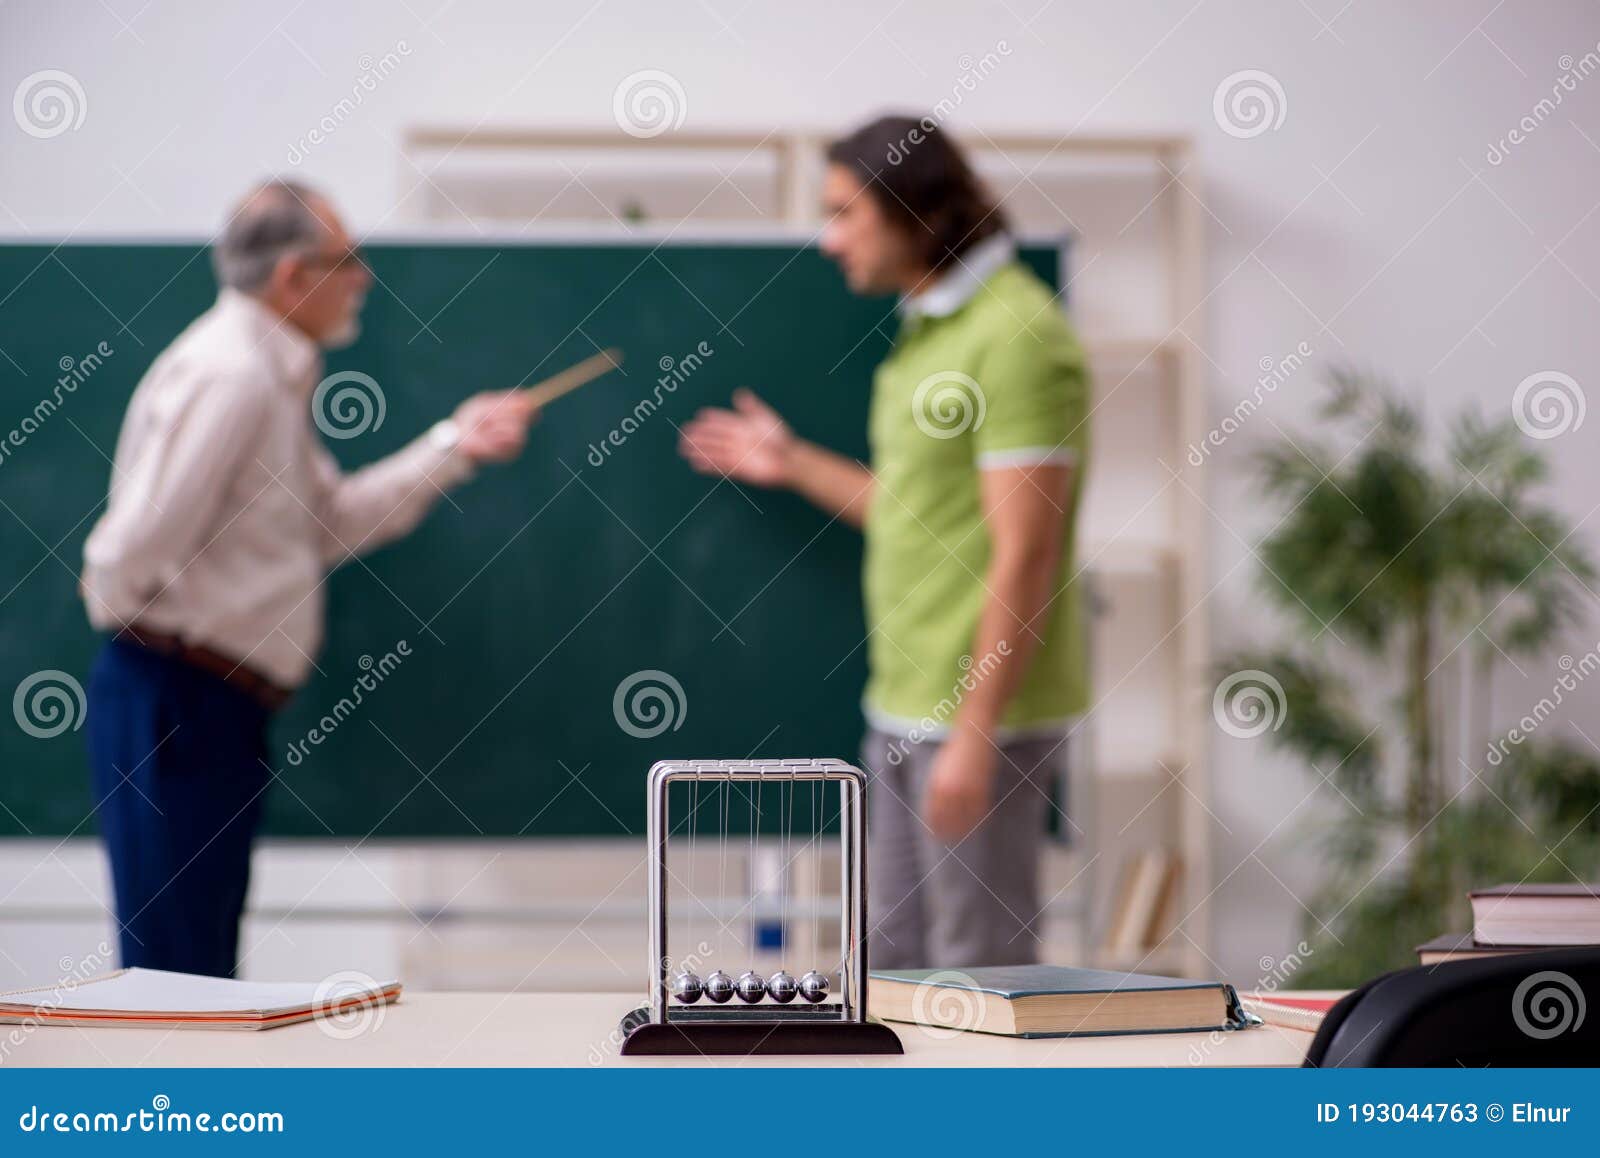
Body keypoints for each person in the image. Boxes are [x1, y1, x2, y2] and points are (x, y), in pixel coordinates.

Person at [79, 179, 538, 977]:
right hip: (175, 699)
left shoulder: (271, 374)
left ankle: (194, 1105)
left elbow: (322, 526)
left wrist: (454, 444)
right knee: (178, 982)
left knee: (200, 969)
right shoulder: (236, 378)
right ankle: (165, 1109)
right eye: (347, 261)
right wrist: (158, 650)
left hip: (207, 703)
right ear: (294, 277)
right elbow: (127, 554)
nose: (362, 279)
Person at [680, 115, 1090, 969]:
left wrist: (975, 733)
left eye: (843, 213)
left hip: (982, 718)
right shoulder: (926, 328)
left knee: (980, 976)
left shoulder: (1017, 336)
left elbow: (1028, 553)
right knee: (891, 965)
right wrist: (790, 462)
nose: (827, 242)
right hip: (901, 703)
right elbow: (914, 510)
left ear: (915, 214)